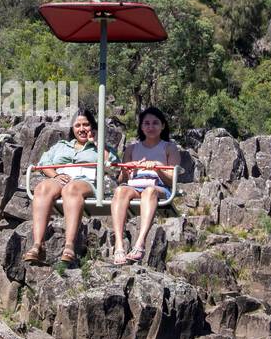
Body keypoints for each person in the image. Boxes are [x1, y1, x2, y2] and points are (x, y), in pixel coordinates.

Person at [24, 108, 119, 269]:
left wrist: (97, 143)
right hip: (61, 178)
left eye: (86, 125)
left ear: (93, 127)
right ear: (72, 128)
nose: (82, 129)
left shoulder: (101, 148)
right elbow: (44, 164)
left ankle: (69, 245)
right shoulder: (61, 146)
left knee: (72, 189)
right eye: (77, 125)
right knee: (42, 188)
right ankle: (38, 245)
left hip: (85, 182)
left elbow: (114, 167)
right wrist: (54, 175)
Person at [110, 106, 180, 265]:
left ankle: (140, 242)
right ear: (141, 126)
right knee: (120, 191)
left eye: (155, 123)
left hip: (158, 186)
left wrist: (157, 168)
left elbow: (172, 180)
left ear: (162, 126)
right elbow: (122, 179)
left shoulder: (169, 148)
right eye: (146, 123)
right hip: (134, 185)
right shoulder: (131, 149)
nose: (150, 127)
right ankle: (119, 245)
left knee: (149, 191)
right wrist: (127, 170)